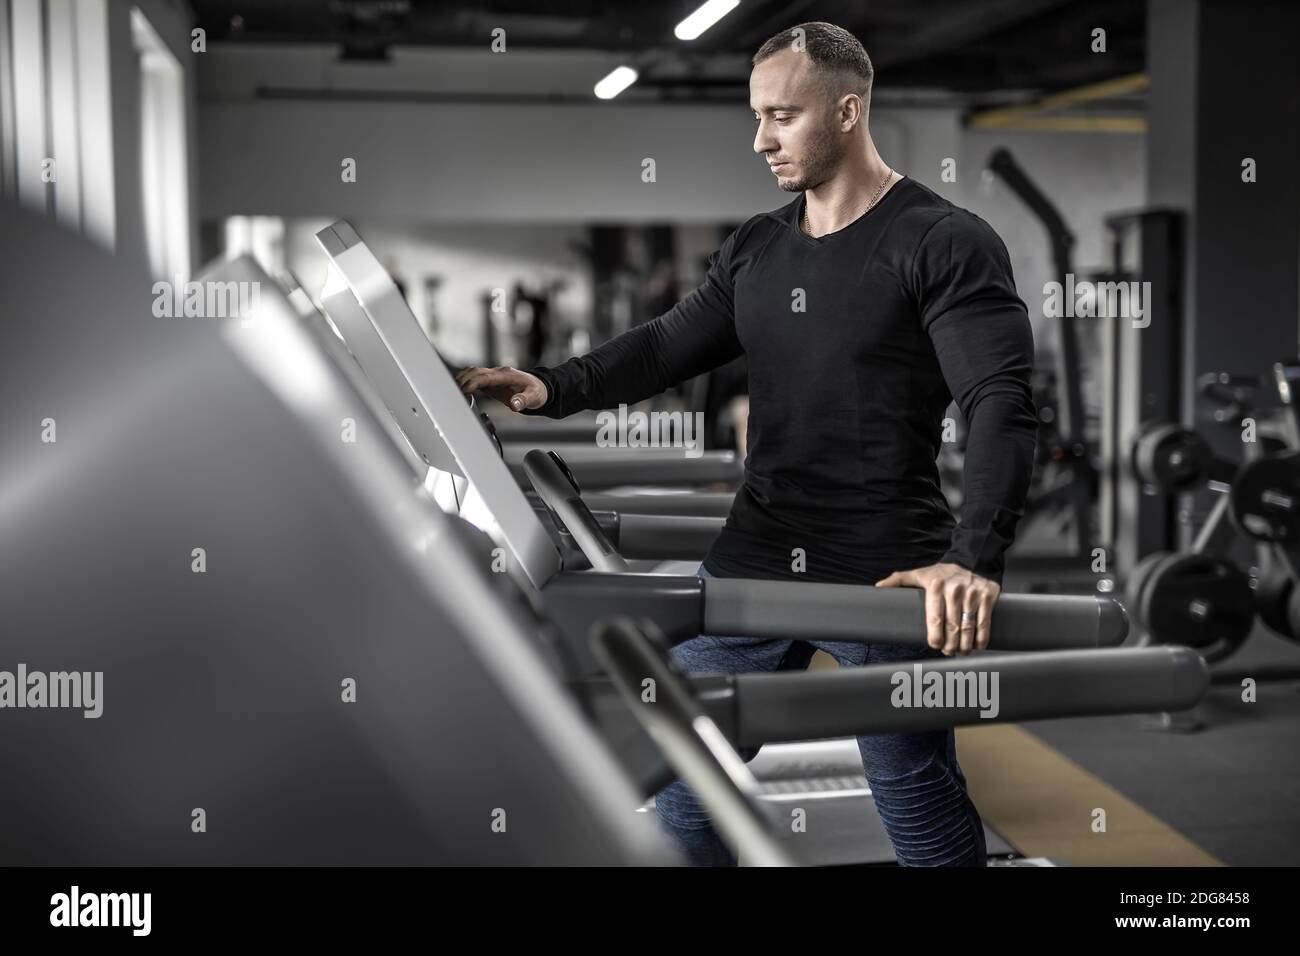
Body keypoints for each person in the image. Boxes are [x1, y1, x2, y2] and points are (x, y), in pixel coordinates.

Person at [456, 21, 1037, 867]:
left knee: (914, 798)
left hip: (885, 568)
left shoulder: (941, 241)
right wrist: (553, 386)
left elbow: (1000, 400)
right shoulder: (758, 246)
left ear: (846, 111)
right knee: (684, 781)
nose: (761, 139)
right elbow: (662, 345)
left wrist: (973, 555)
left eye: (782, 116)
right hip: (758, 552)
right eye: (755, 117)